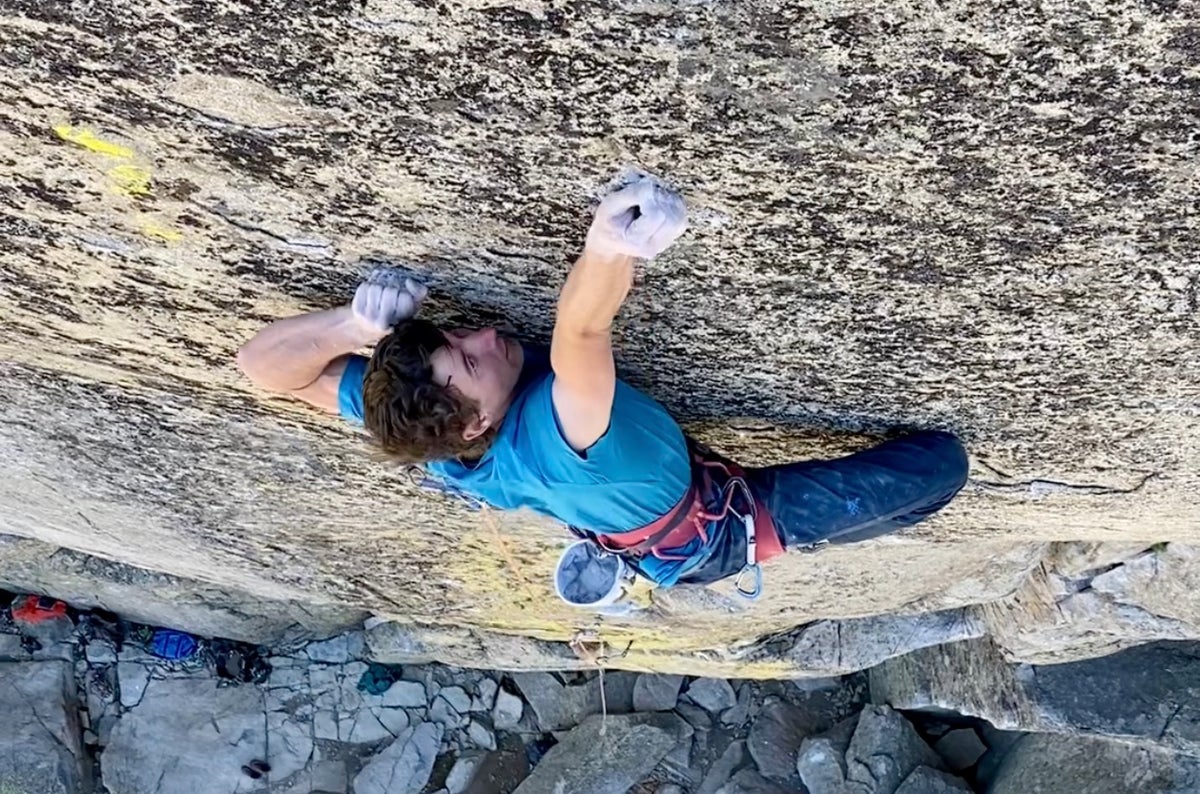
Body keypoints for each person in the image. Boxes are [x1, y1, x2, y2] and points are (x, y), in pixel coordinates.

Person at [237, 176, 969, 598]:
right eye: (470, 362)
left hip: (648, 525)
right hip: (718, 533)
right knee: (940, 467)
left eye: (456, 338)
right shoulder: (565, 432)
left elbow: (263, 370)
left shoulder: (429, 435)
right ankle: (800, 538)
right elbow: (581, 332)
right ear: (473, 424)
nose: (483, 336)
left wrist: (348, 326)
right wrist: (609, 246)